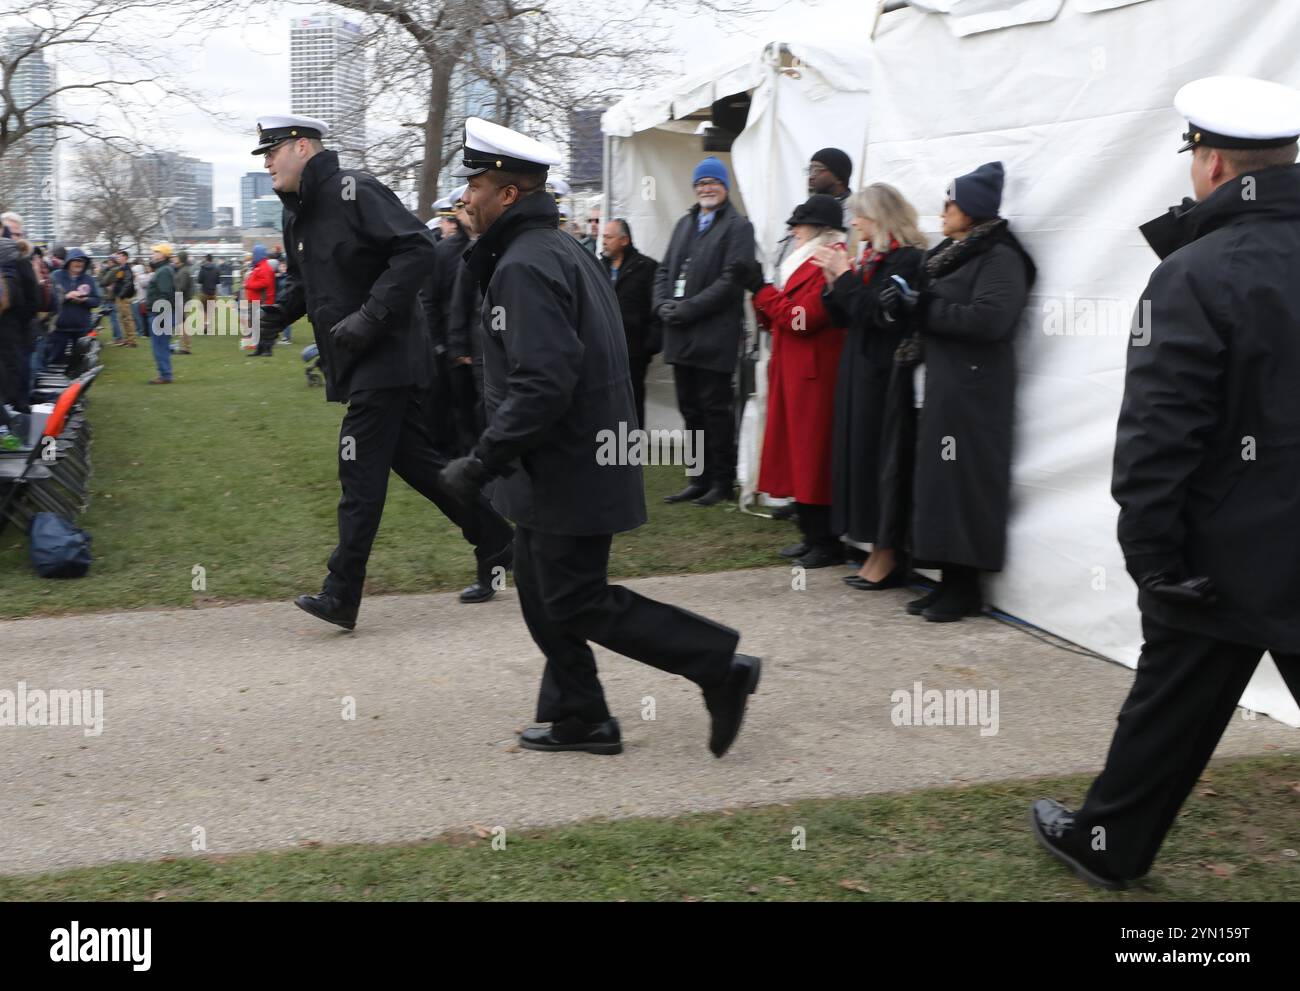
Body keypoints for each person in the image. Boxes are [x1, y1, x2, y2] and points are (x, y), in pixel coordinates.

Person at [1032, 76, 1300, 891]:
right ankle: (1104, 838)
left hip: (1222, 548)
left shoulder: (1196, 271)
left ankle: (1106, 842)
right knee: (1175, 697)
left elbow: (1160, 431)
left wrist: (1150, 551)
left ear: (1212, 164)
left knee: (1172, 703)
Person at [439, 117, 761, 757]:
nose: (464, 195)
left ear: (507, 193)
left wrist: (481, 461)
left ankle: (719, 665)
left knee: (577, 600)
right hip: (557, 465)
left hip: (568, 466)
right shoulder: (550, 251)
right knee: (539, 593)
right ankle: (581, 716)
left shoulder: (527, 264)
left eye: (474, 181)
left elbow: (543, 384)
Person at [247, 114, 515, 625]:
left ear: (301, 147)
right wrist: (274, 319)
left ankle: (342, 591)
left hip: (387, 359)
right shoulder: (297, 214)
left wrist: (371, 316)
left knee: (359, 474)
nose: (266, 162)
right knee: (420, 466)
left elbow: (417, 247)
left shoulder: (355, 191)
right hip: (357, 363)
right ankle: (499, 539)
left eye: (272, 151)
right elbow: (308, 284)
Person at [879, 162, 1035, 622]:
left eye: (950, 202)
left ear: (971, 209)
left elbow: (991, 319)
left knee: (964, 485)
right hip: (943, 383)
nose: (943, 211)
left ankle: (965, 588)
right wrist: (903, 305)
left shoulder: (1001, 257)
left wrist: (922, 306)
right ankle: (947, 580)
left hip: (973, 390)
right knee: (939, 485)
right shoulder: (954, 251)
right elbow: (936, 308)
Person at [815, 183, 926, 587]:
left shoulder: (908, 260)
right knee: (859, 461)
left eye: (859, 215)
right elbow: (847, 316)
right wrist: (833, 282)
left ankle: (888, 553)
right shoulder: (873, 259)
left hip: (884, 377)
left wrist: (844, 278)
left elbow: (881, 315)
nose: (854, 223)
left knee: (882, 465)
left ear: (879, 217)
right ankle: (874, 548)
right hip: (858, 371)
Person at [733, 194, 848, 568]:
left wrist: (762, 292)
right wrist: (762, 296)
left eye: (799, 226)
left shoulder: (828, 258)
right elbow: (785, 314)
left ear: (816, 228)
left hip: (813, 372)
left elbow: (803, 318)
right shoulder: (805, 259)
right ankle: (810, 533)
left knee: (811, 456)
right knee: (797, 453)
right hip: (794, 368)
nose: (794, 232)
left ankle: (825, 539)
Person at [653, 156, 757, 506]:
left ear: (724, 187)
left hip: (714, 335)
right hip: (680, 334)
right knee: (690, 409)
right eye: (700, 184)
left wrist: (688, 308)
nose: (706, 188)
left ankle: (721, 481)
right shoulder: (685, 222)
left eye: (712, 183)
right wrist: (662, 304)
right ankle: (698, 478)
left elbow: (731, 281)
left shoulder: (738, 226)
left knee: (716, 410)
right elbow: (665, 269)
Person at [421, 188, 471, 455]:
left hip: (480, 345)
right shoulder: (443, 253)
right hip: (450, 347)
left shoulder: (491, 247)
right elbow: (429, 301)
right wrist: (439, 344)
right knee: (454, 408)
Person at [600, 218, 659, 429]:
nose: (603, 241)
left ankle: (631, 450)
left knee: (632, 400)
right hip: (604, 348)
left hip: (634, 350)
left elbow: (656, 308)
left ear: (624, 240)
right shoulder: (598, 267)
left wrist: (649, 345)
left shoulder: (647, 268)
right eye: (604, 237)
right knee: (605, 400)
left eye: (609, 237)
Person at [47, 248, 100, 368]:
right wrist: (66, 297)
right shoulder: (56, 276)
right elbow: (49, 298)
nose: (79, 263)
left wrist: (85, 300)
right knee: (54, 361)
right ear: (68, 261)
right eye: (76, 260)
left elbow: (97, 301)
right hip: (59, 327)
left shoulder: (88, 279)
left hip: (81, 328)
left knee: (79, 363)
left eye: (82, 261)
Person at [144, 243, 175, 384]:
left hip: (159, 314)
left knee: (160, 346)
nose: (153, 254)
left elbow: (165, 294)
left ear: (163, 255)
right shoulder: (163, 269)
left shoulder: (163, 271)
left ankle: (164, 375)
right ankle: (165, 373)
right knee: (161, 345)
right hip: (160, 313)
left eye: (156, 251)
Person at [244, 244, 277, 356]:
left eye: (254, 254)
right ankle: (259, 349)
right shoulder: (259, 266)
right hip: (257, 302)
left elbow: (265, 283)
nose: (253, 256)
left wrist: (250, 284)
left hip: (263, 302)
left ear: (258, 254)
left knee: (263, 327)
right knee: (257, 327)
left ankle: (267, 350)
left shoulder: (264, 267)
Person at [173, 250, 195, 354]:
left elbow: (181, 287)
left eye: (176, 257)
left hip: (183, 300)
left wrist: (173, 289)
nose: (174, 258)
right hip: (182, 300)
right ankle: (184, 347)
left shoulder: (184, 271)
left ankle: (185, 348)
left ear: (181, 259)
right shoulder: (182, 270)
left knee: (183, 325)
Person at [197, 253, 221, 335]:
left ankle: (205, 325)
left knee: (204, 310)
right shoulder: (217, 268)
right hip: (213, 292)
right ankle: (209, 325)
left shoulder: (202, 268)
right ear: (212, 259)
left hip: (204, 292)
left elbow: (199, 280)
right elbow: (218, 281)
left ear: (206, 259)